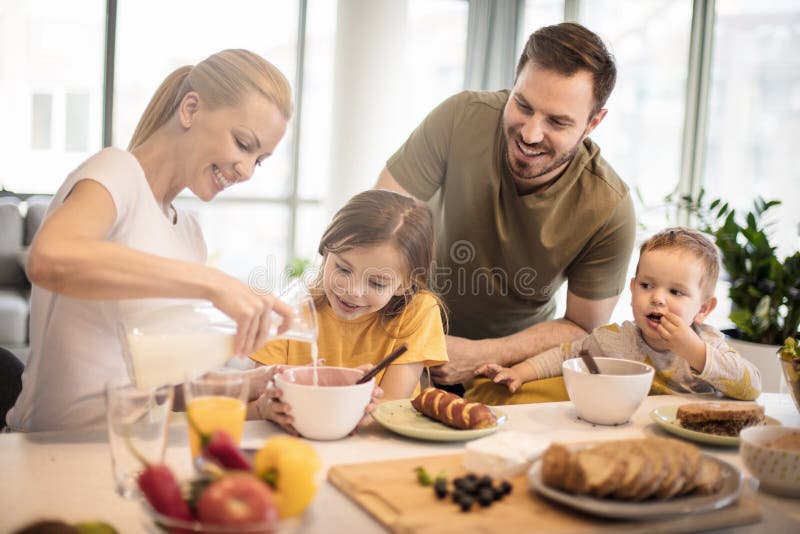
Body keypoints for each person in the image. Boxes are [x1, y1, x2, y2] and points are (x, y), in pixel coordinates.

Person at [7, 49, 297, 432]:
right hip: (53, 454)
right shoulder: (116, 171)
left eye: (259, 160)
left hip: (134, 453)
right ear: (190, 109)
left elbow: (159, 385)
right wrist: (214, 283)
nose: (246, 171)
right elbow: (49, 258)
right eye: (244, 144)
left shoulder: (189, 232)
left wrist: (252, 385)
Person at [374, 22, 636, 403]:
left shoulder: (609, 207)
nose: (530, 134)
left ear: (593, 123)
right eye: (523, 105)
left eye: (557, 122)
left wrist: (482, 354)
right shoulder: (461, 116)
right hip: (405, 336)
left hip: (510, 368)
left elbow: (583, 327)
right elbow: (378, 220)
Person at [477, 228, 762, 400]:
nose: (658, 299)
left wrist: (696, 352)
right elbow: (565, 355)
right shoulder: (614, 340)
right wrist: (519, 372)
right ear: (633, 288)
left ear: (703, 309)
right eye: (647, 286)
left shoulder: (709, 345)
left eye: (675, 292)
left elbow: (752, 387)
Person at [250, 189, 449, 434]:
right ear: (325, 253)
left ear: (405, 284)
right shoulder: (289, 311)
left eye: (376, 283)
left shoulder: (418, 312)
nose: (353, 291)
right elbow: (248, 405)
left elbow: (391, 407)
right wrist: (264, 408)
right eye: (343, 269)